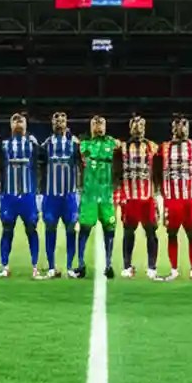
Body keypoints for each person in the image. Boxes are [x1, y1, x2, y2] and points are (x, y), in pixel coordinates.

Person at [0, 113, 44, 278]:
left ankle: (35, 266)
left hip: (27, 196)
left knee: (31, 229)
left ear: (26, 125)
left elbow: (43, 163)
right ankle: (4, 266)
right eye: (15, 121)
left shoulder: (33, 145)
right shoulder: (4, 145)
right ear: (11, 126)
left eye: (21, 121)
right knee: (7, 230)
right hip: (9, 196)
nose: (18, 123)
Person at [160, 114, 192, 281]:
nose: (182, 129)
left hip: (190, 199)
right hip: (171, 198)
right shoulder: (164, 147)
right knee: (172, 233)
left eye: (185, 126)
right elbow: (156, 168)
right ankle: (174, 270)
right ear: (173, 129)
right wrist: (160, 188)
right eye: (179, 126)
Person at [79, 116, 120, 279]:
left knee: (110, 229)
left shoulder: (112, 144)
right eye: (95, 124)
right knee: (85, 229)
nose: (98, 127)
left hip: (106, 195)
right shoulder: (84, 145)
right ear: (91, 127)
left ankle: (108, 264)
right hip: (90, 194)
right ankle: (81, 265)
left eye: (101, 124)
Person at [41, 112, 80, 278]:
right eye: (56, 120)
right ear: (52, 123)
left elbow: (82, 165)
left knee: (71, 229)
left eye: (62, 120)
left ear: (67, 123)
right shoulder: (46, 144)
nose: (59, 123)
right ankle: (51, 267)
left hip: (69, 196)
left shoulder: (74, 143)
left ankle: (70, 267)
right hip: (51, 196)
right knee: (50, 228)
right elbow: (38, 165)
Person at [119, 116, 158, 279]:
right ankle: (127, 266)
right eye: (135, 125)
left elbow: (159, 169)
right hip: (129, 197)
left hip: (147, 197)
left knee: (151, 232)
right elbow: (116, 169)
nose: (138, 128)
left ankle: (152, 267)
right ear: (130, 128)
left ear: (145, 127)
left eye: (141, 125)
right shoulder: (122, 147)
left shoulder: (152, 147)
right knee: (128, 232)